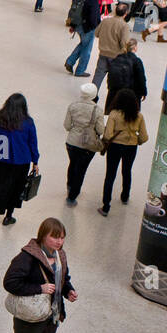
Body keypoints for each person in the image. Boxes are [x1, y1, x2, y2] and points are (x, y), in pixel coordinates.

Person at [0, 92, 40, 225]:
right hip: (21, 160)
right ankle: (9, 216)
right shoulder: (27, 123)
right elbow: (32, 143)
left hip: (1, 157)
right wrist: (35, 161)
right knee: (16, 187)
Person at [98, 88, 150, 217]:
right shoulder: (139, 116)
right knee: (127, 171)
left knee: (110, 174)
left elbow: (108, 135)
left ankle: (106, 206)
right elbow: (144, 137)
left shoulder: (114, 114)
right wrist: (135, 141)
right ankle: (125, 196)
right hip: (131, 147)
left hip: (115, 147)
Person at [62, 83, 104, 205]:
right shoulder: (97, 110)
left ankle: (69, 185)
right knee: (81, 170)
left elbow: (67, 125)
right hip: (87, 145)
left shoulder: (73, 106)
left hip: (71, 142)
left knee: (72, 164)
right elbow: (101, 130)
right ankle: (72, 196)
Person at [64, 0, 101, 77]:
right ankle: (80, 70)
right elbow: (93, 17)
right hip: (87, 27)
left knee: (83, 44)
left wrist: (72, 25)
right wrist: (97, 28)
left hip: (78, 25)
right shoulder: (93, 0)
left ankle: (70, 61)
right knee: (87, 50)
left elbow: (74, 10)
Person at [91, 3, 133, 90]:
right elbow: (124, 44)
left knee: (98, 76)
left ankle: (92, 96)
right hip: (116, 57)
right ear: (126, 13)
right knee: (114, 81)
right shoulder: (124, 26)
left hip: (103, 53)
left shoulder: (105, 21)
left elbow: (96, 33)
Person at [104, 38, 147, 115]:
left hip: (114, 92)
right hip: (130, 94)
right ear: (135, 48)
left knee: (112, 115)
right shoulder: (137, 61)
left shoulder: (117, 58)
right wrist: (143, 92)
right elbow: (141, 79)